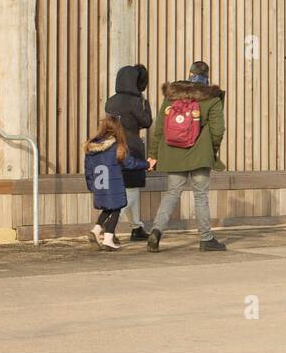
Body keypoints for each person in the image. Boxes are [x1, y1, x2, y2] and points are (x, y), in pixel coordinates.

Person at [146, 60, 226, 252]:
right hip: (200, 154)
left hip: (173, 152)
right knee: (200, 196)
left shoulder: (172, 96)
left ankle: (156, 231)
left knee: (171, 194)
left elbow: (159, 128)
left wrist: (153, 154)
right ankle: (206, 239)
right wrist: (211, 150)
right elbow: (217, 130)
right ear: (207, 77)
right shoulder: (211, 98)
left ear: (189, 73)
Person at [84, 115, 148, 251]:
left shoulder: (91, 147)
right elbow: (129, 163)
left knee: (108, 208)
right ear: (118, 129)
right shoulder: (116, 146)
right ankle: (108, 240)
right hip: (113, 184)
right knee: (117, 208)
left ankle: (96, 230)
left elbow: (88, 170)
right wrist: (147, 164)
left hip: (99, 184)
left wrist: (91, 186)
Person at [104, 64, 152, 241]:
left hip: (113, 144)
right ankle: (106, 226)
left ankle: (136, 227)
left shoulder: (111, 100)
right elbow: (146, 122)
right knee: (132, 188)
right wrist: (145, 103)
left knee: (126, 186)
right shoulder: (134, 101)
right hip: (132, 145)